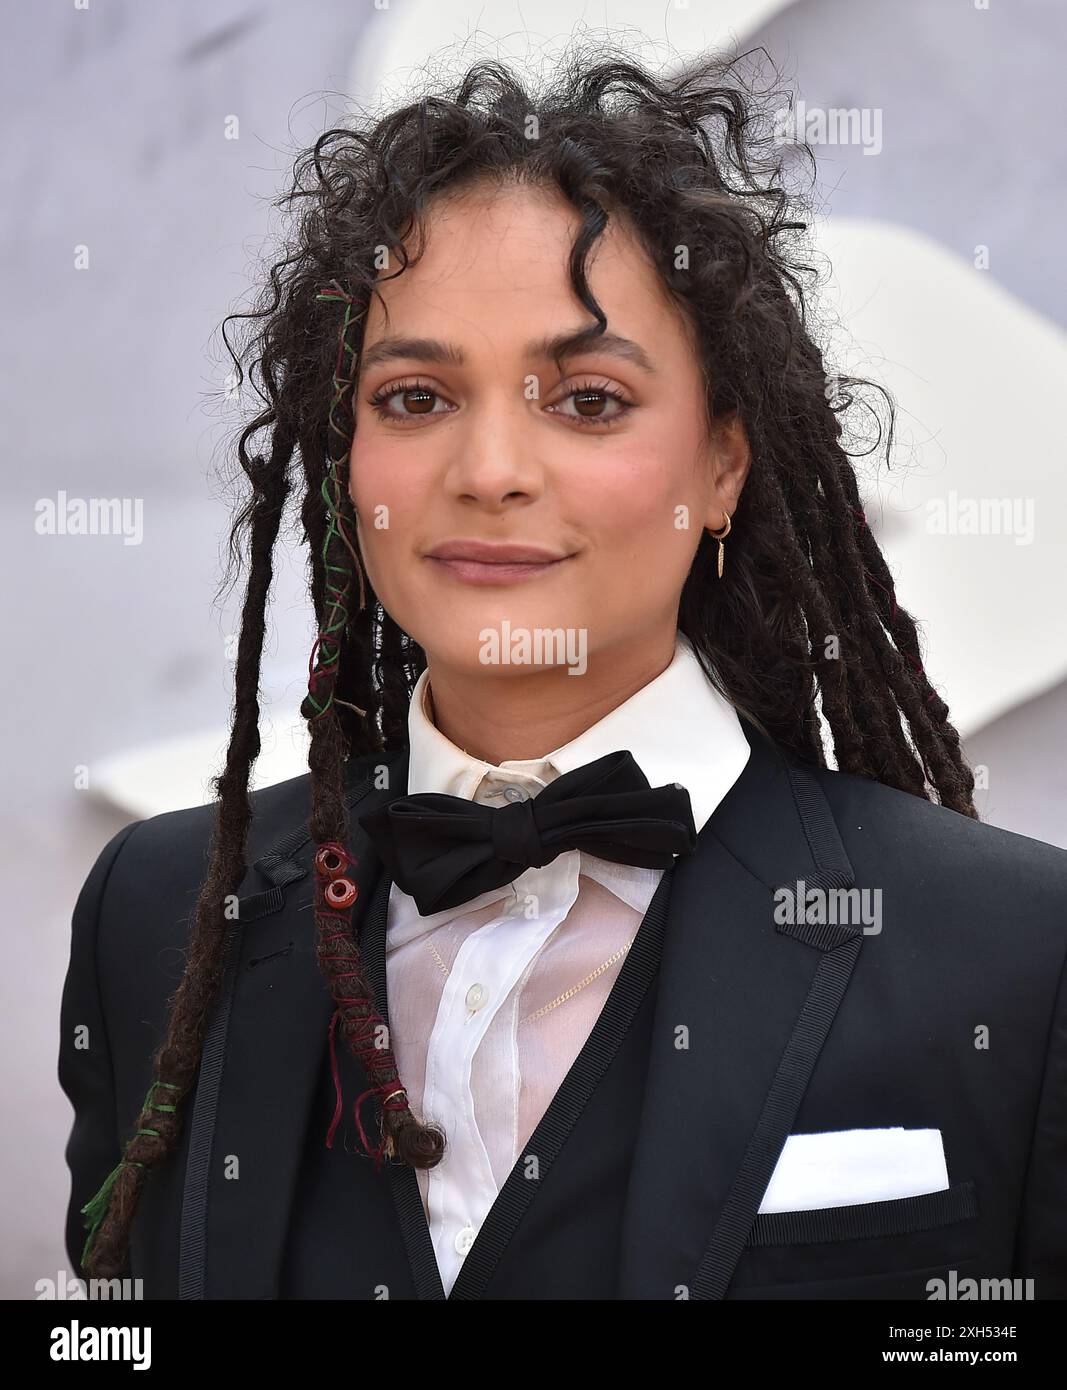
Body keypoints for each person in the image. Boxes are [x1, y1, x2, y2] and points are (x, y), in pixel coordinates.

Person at [59, 45, 1067, 1300]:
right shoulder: (158, 914)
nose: (488, 468)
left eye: (586, 401)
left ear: (720, 468)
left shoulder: (1019, 948)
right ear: (344, 460)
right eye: (416, 395)